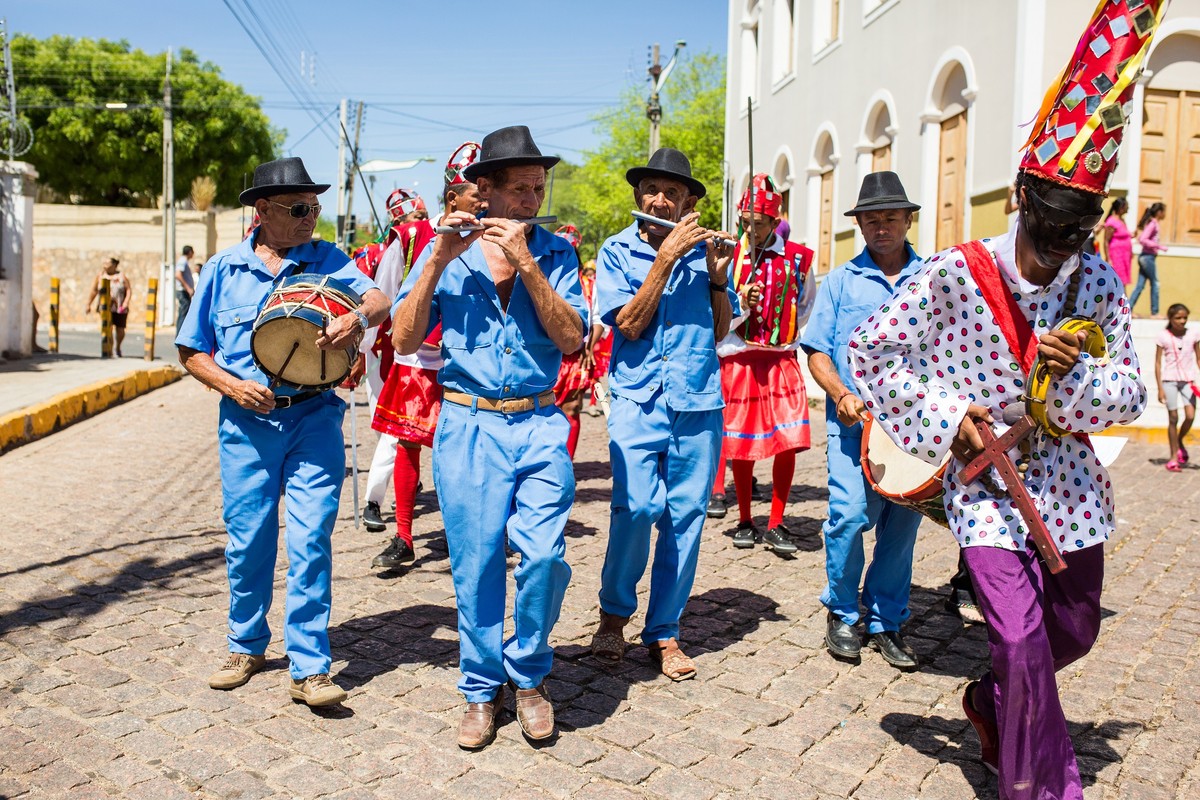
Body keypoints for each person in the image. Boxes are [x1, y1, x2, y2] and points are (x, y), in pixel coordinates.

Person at [849, 3, 1152, 793]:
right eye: (1048, 227)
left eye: (1075, 234)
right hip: (986, 484)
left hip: (1070, 490)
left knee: (1072, 633)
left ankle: (990, 703)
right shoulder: (955, 271)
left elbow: (1130, 390)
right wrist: (948, 418)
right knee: (1018, 640)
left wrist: (1075, 381)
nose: (1057, 251)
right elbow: (871, 350)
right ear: (1021, 193)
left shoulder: (1097, 281)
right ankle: (1042, 786)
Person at [392, 125, 586, 749]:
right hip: (468, 422)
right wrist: (437, 259)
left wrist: (528, 264)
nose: (532, 199)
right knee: (476, 565)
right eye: (520, 189)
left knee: (545, 556)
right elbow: (402, 338)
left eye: (538, 188)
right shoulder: (444, 250)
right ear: (487, 191)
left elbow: (572, 339)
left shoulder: (556, 253)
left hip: (539, 421)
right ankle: (480, 688)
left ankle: (528, 674)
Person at [175, 157, 390, 707]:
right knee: (249, 541)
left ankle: (309, 666)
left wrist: (356, 319)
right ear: (263, 211)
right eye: (298, 209)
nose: (310, 217)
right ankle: (245, 644)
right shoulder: (224, 269)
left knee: (311, 538)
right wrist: (231, 386)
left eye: (315, 207)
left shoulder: (328, 258)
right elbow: (191, 351)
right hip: (246, 424)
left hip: (314, 416)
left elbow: (379, 299)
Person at [589, 147, 738, 682]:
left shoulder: (705, 252)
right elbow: (627, 324)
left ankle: (664, 631)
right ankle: (613, 616)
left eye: (672, 193)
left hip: (698, 400)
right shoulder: (616, 250)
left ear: (689, 204)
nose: (659, 200)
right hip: (637, 398)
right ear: (637, 195)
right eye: (651, 189)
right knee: (635, 508)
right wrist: (666, 259)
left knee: (686, 518)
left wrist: (716, 278)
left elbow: (720, 329)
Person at [799, 171, 925, 671]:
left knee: (901, 528)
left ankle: (885, 620)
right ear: (860, 225)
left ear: (908, 220)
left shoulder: (931, 278)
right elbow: (816, 351)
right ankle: (842, 610)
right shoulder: (840, 282)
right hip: (854, 427)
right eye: (872, 220)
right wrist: (841, 394)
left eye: (890, 217)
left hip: (916, 432)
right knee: (849, 517)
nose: (881, 227)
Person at [369, 145, 485, 569]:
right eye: (477, 195)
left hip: (468, 359)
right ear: (453, 197)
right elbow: (384, 292)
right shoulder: (412, 235)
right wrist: (366, 346)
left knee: (465, 449)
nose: (485, 203)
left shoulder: (493, 233)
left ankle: (469, 532)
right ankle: (403, 536)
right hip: (418, 358)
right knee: (408, 441)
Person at [711, 173, 815, 555]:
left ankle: (776, 521)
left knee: (787, 441)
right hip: (740, 358)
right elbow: (715, 317)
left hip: (781, 358)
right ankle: (744, 518)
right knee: (742, 442)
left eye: (758, 223)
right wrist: (741, 303)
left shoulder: (799, 258)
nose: (751, 231)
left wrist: (782, 326)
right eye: (745, 222)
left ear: (775, 220)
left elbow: (805, 306)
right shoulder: (728, 257)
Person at [349, 187, 431, 539]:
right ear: (399, 220)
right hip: (383, 352)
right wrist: (358, 353)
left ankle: (383, 494)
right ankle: (374, 501)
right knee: (393, 432)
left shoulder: (429, 240)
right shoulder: (375, 253)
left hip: (419, 351)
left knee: (395, 435)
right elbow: (368, 304)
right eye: (415, 216)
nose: (421, 222)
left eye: (423, 216)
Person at [550, 224, 604, 458]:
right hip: (548, 356)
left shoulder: (590, 285)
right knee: (546, 408)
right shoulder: (544, 280)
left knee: (572, 408)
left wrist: (589, 347)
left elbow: (598, 320)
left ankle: (567, 461)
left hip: (577, 356)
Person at [1156, 303, 1198, 472]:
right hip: (1169, 381)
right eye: (1178, 318)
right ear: (1170, 318)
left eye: (1184, 317)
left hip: (1188, 381)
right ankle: (1173, 456)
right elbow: (1158, 363)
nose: (1182, 321)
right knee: (1173, 418)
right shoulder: (1163, 336)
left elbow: (1198, 358)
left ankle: (1179, 440)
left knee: (1190, 415)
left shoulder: (1193, 334)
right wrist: (1160, 388)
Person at [86, 257, 132, 357]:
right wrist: (88, 304)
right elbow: (94, 291)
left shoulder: (121, 276)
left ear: (114, 265)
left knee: (120, 329)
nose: (105, 265)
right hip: (105, 308)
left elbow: (128, 290)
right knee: (107, 327)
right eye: (104, 263)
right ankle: (109, 348)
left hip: (119, 307)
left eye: (107, 263)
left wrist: (126, 302)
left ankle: (117, 347)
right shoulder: (100, 276)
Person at [1132, 202, 1167, 317]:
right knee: (1155, 283)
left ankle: (1129, 308)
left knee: (1140, 285)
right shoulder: (1153, 224)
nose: (1165, 214)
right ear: (1159, 212)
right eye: (1164, 211)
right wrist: (1159, 246)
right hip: (1147, 258)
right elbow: (1142, 239)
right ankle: (1155, 312)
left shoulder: (1153, 223)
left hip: (1146, 257)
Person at [1097, 197, 1132, 286]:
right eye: (1126, 206)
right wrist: (1108, 258)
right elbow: (1106, 241)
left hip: (1124, 255)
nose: (1128, 208)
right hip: (1116, 255)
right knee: (1116, 280)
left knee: (1123, 281)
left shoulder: (1122, 220)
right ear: (1121, 208)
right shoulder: (1112, 221)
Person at [176, 245, 196, 334]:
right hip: (183, 292)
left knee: (184, 313)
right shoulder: (183, 261)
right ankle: (180, 337)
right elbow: (178, 275)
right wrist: (188, 288)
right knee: (183, 315)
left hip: (184, 291)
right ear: (190, 252)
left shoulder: (183, 261)